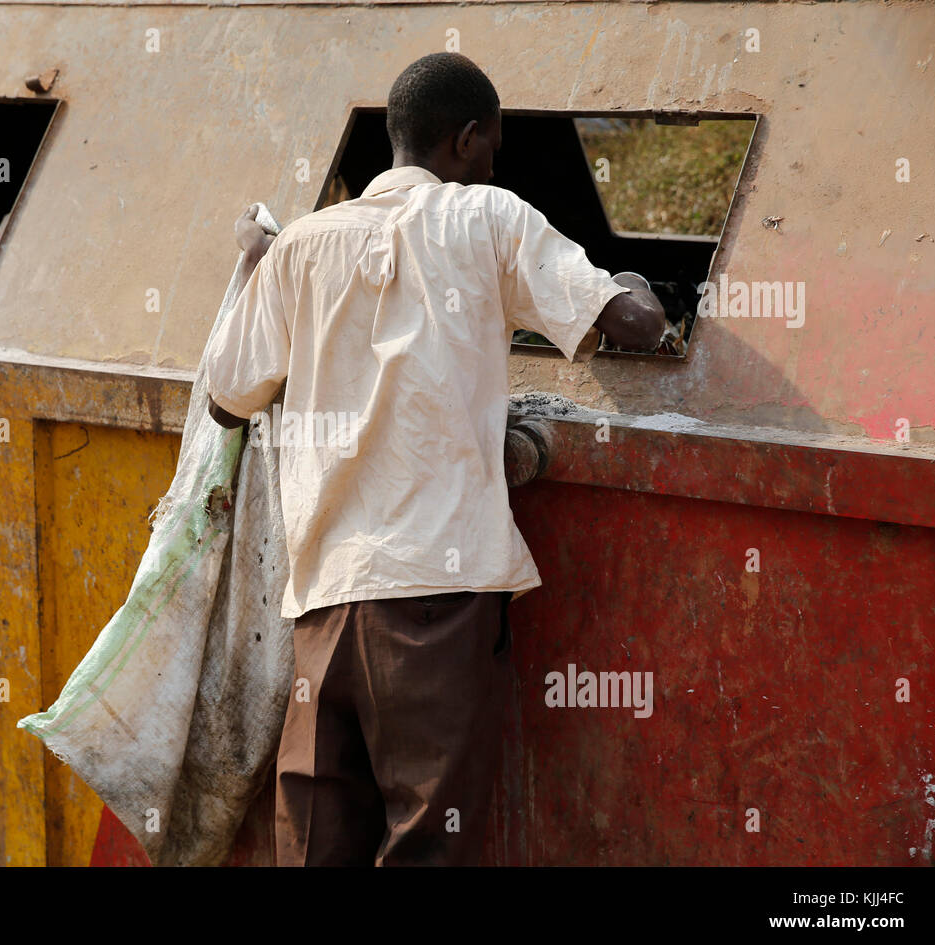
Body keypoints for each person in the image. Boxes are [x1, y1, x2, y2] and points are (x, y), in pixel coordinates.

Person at [204, 52, 668, 866]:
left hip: (321, 606)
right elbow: (631, 325)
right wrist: (626, 276)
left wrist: (262, 271)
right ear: (467, 139)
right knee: (428, 849)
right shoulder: (488, 217)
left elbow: (224, 400)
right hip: (437, 605)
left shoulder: (300, 248)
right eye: (491, 146)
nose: (493, 162)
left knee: (313, 846)